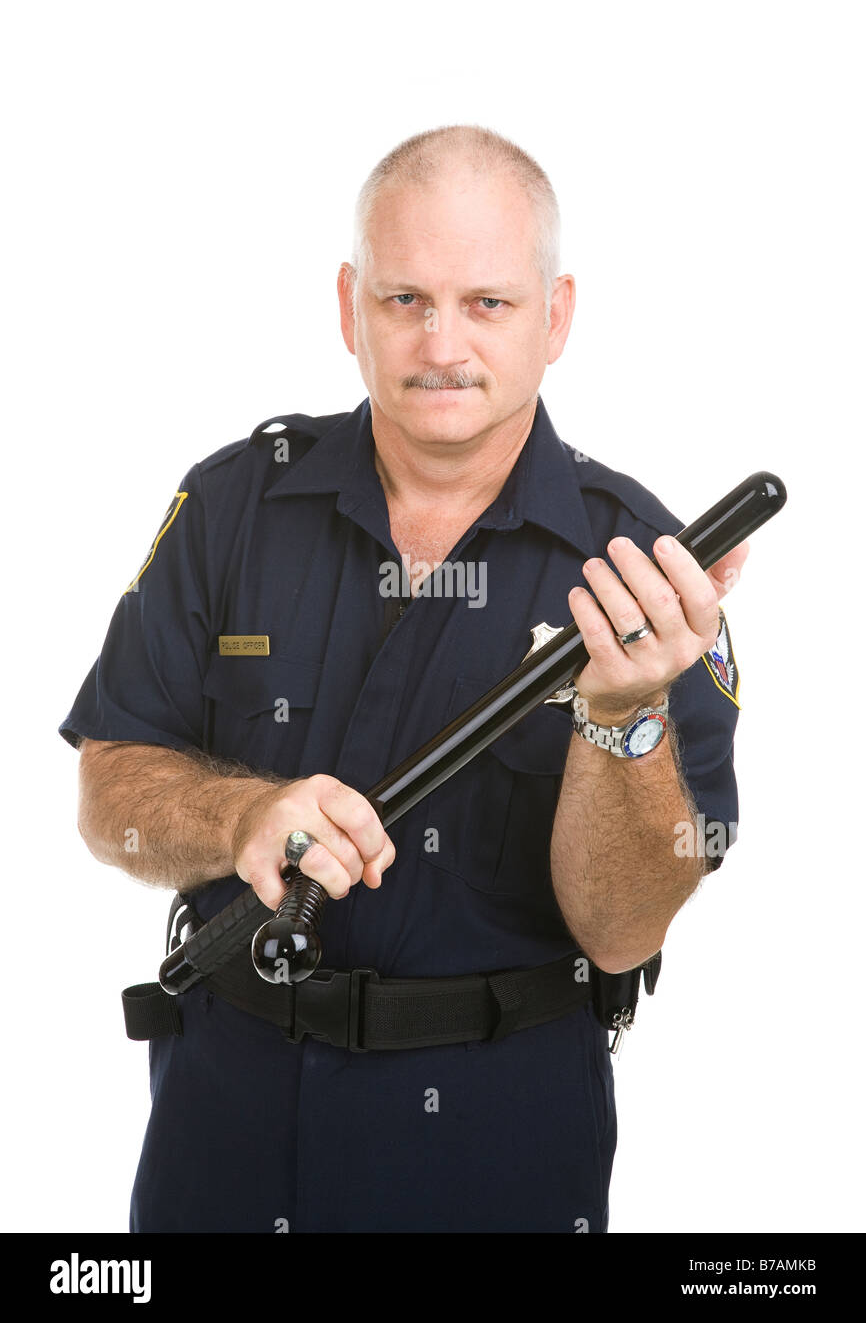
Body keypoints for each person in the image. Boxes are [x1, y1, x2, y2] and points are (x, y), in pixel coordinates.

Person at [60, 124, 746, 1234]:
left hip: (497, 1144)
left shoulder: (639, 575)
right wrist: (242, 812)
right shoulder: (232, 505)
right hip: (223, 1128)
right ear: (347, 305)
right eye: (403, 300)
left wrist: (621, 718)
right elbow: (110, 794)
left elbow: (621, 933)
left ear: (554, 315)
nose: (440, 343)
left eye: (486, 302)